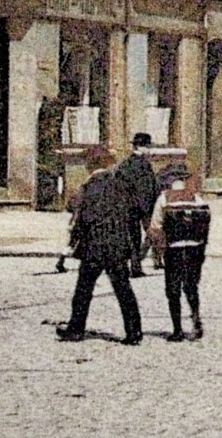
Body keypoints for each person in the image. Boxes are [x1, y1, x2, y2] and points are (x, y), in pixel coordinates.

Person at [58, 152, 142, 344]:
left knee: (83, 289)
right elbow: (134, 210)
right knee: (123, 289)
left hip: (94, 244)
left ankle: (76, 329)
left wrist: (74, 240)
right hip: (117, 244)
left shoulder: (88, 187)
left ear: (90, 166)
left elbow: (78, 214)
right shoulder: (121, 185)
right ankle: (134, 332)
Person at [147, 167, 210, 341]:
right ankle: (196, 320)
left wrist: (157, 251)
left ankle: (177, 330)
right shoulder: (196, 198)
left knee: (173, 290)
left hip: (174, 248)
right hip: (194, 248)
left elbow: (155, 227)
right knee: (191, 286)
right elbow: (205, 223)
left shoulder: (164, 198)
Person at [117, 133, 160, 277]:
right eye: (147, 146)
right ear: (141, 147)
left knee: (133, 237)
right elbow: (148, 186)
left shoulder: (125, 164)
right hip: (144, 206)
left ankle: (135, 265)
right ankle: (140, 263)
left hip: (129, 206)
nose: (149, 150)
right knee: (150, 233)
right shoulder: (143, 164)